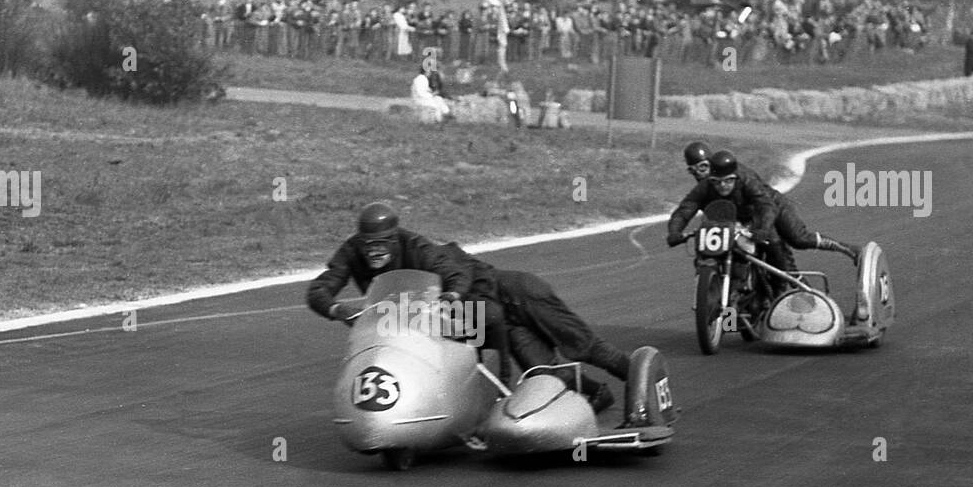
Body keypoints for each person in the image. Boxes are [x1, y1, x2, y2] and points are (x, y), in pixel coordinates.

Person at [437, 244, 630, 413]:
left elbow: (464, 279)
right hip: (498, 313)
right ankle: (599, 392)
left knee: (585, 347)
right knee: (543, 372)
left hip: (520, 294)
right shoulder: (414, 277)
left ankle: (642, 381)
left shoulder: (433, 254)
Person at [672, 144, 860, 270]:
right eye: (693, 170)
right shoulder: (705, 187)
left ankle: (847, 249)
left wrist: (761, 228)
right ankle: (731, 313)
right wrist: (674, 232)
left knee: (796, 239)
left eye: (703, 167)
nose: (699, 175)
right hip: (743, 220)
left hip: (769, 208)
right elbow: (685, 210)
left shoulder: (743, 177)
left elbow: (765, 206)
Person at [307, 202, 472, 322]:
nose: (373, 252)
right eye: (367, 244)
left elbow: (457, 276)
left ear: (393, 240)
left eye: (379, 244)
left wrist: (451, 295)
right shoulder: (351, 249)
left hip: (429, 315)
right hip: (384, 320)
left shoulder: (416, 247)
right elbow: (318, 290)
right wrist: (336, 309)